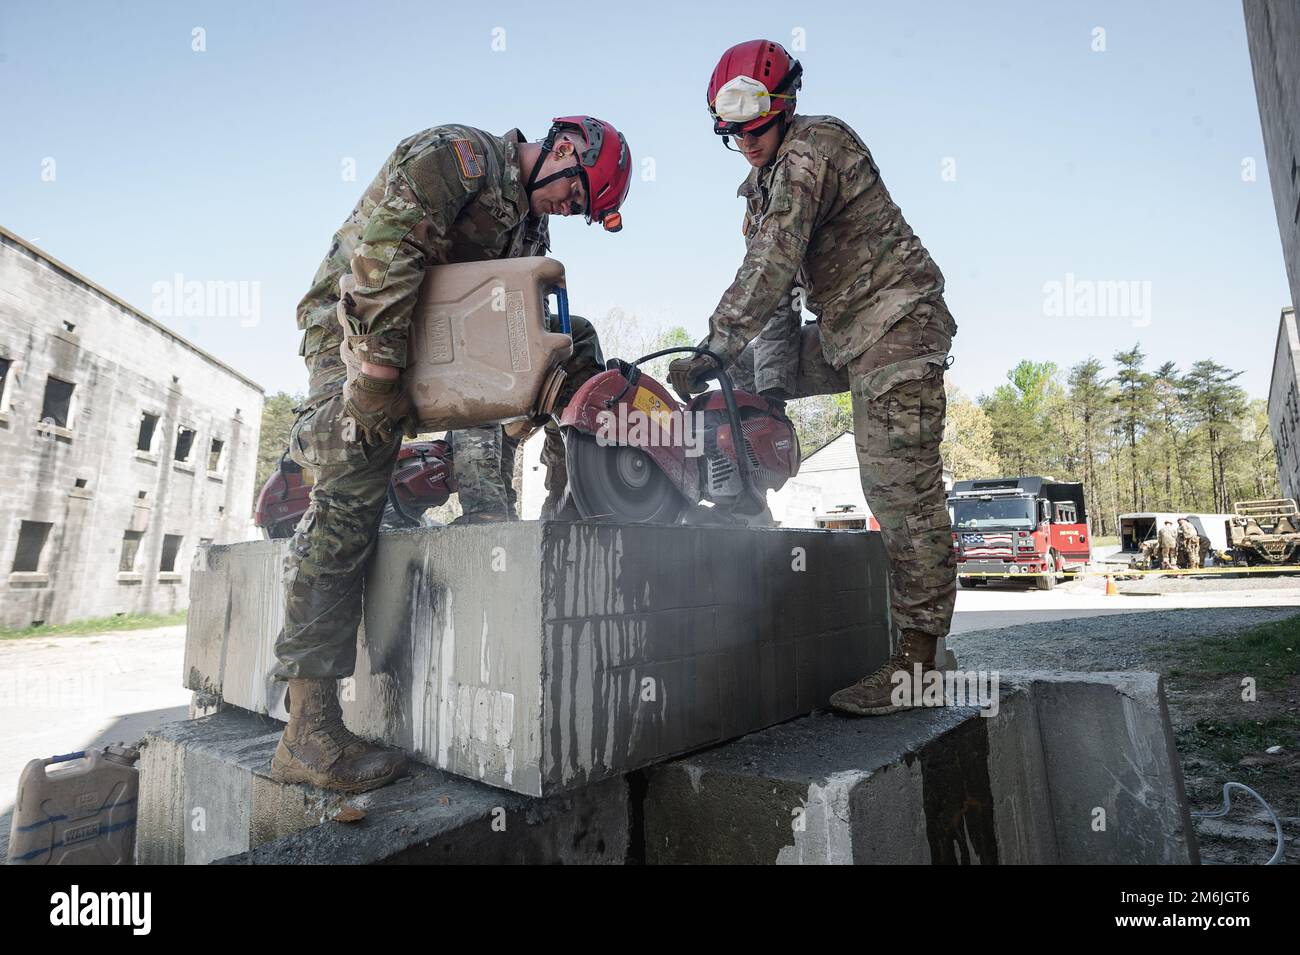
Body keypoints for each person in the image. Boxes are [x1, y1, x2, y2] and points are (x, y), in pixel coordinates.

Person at [273, 117, 631, 792]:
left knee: (572, 338)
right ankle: (308, 730)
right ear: (562, 148)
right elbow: (383, 261)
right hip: (357, 327)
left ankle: (577, 501)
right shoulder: (458, 159)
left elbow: (514, 323)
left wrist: (541, 387)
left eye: (582, 209)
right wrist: (376, 385)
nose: (571, 210)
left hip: (435, 333)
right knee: (355, 475)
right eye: (576, 195)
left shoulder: (530, 230)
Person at [668, 39, 957, 717]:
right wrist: (758, 399)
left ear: (783, 107)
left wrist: (714, 340)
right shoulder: (759, 191)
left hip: (897, 324)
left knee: (896, 485)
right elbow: (775, 307)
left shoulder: (812, 148)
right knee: (733, 369)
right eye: (732, 134)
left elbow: (773, 262)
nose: (744, 144)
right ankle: (743, 484)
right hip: (844, 333)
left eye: (753, 128)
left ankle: (918, 667)